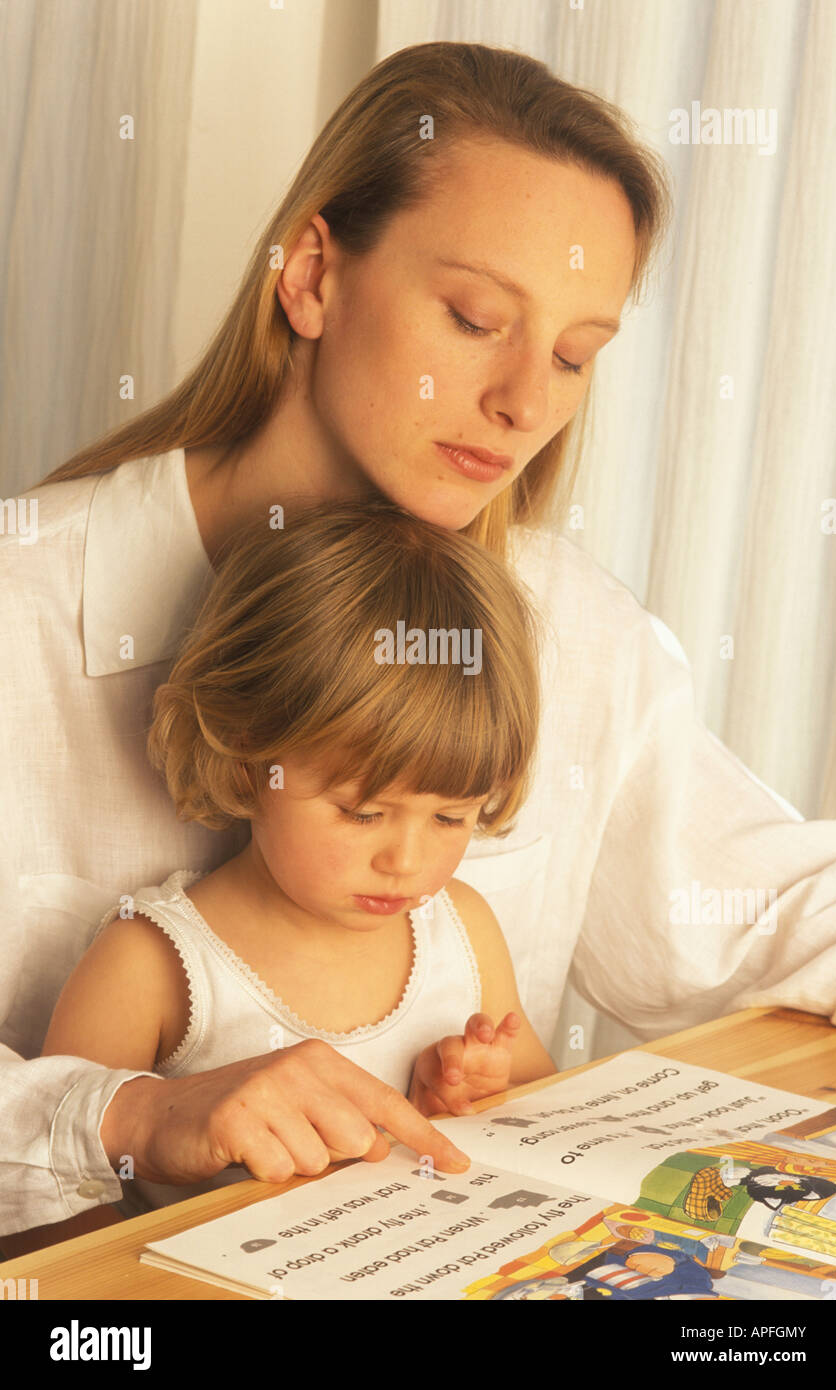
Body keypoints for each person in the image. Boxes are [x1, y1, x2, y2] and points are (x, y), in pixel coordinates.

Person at [4, 40, 836, 1251]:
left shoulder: (570, 634)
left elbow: (789, 904)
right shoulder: (16, 609)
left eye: (573, 357)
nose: (524, 402)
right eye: (473, 319)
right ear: (308, 275)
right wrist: (132, 1110)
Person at [25, 499, 556, 1234]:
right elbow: (58, 1198)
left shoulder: (463, 929)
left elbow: (547, 1105)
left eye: (450, 818)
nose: (405, 861)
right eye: (361, 812)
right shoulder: (152, 963)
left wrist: (480, 1090)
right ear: (247, 757)